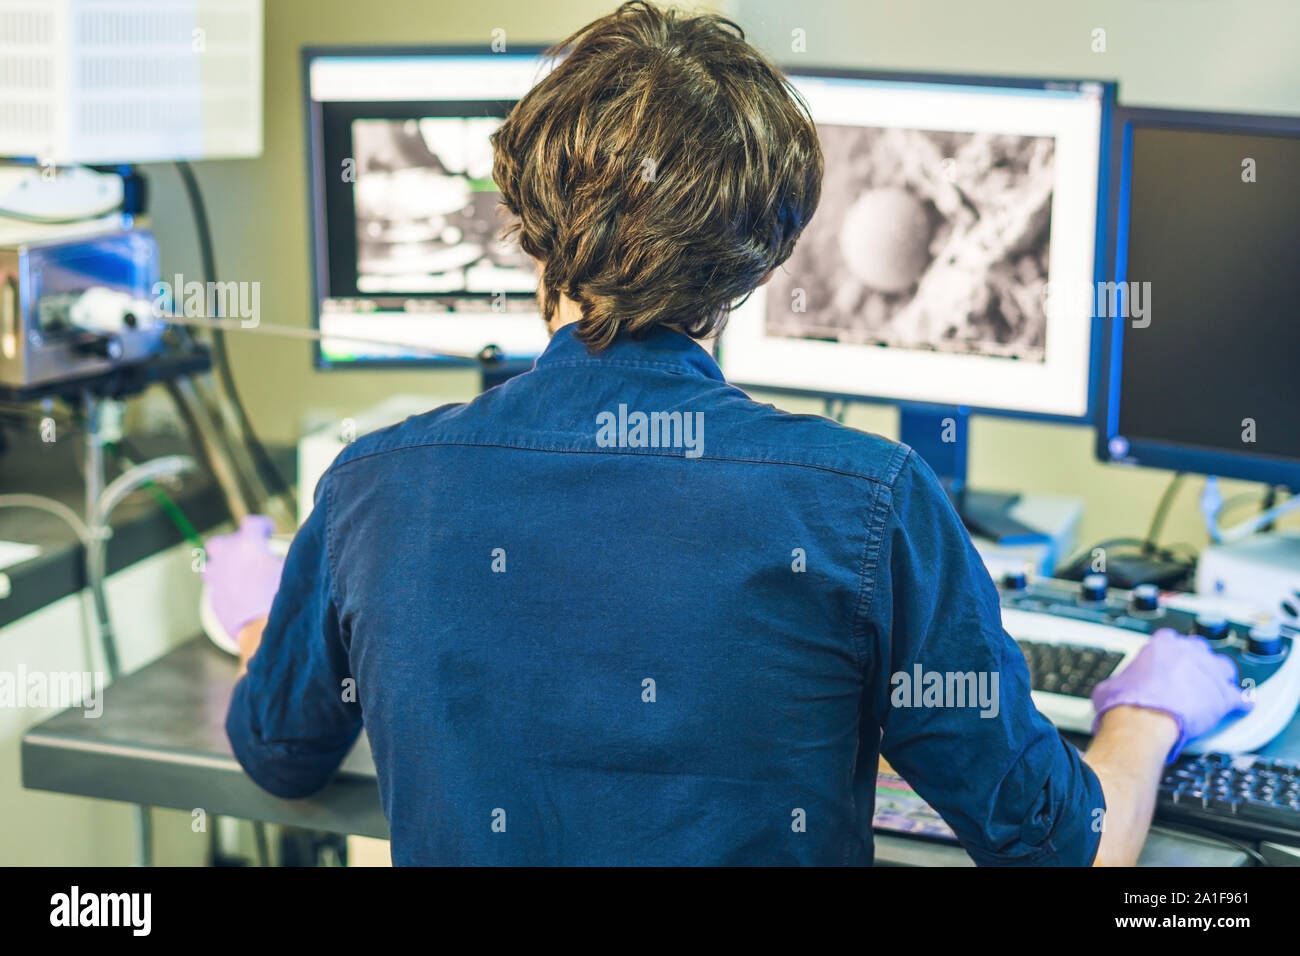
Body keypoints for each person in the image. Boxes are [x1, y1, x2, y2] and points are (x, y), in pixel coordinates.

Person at [209, 1, 1249, 865]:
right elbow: (1059, 844)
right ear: (762, 258)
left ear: (524, 216)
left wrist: (268, 613)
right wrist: (1147, 711)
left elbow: (279, 746)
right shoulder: (866, 501)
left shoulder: (371, 488)